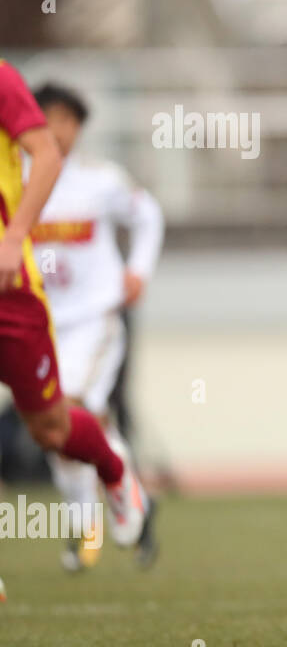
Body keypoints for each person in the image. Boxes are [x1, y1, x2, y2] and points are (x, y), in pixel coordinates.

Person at [0, 60, 150, 573]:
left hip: (34, 302)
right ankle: (83, 533)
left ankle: (113, 468)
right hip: (56, 315)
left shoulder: (3, 82)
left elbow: (48, 158)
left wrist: (15, 236)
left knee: (53, 427)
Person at [31, 83, 164, 571]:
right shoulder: (16, 179)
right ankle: (93, 520)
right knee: (51, 430)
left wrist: (138, 271)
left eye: (67, 120)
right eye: (47, 118)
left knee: (68, 408)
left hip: (94, 320)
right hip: (39, 324)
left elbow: (148, 214)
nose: (57, 129)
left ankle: (118, 494)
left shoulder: (98, 179)